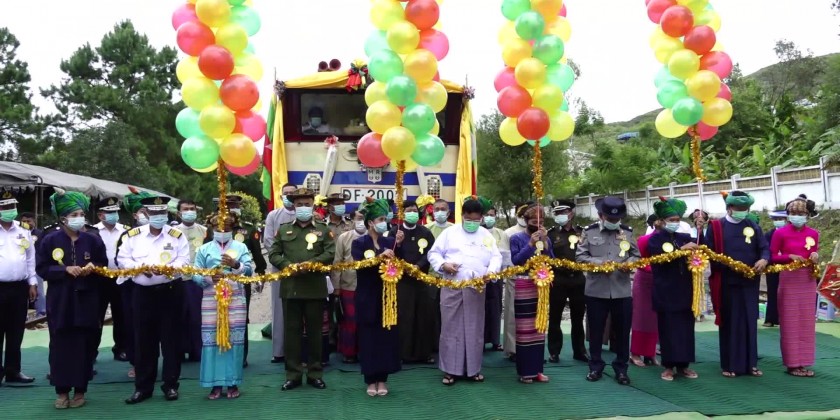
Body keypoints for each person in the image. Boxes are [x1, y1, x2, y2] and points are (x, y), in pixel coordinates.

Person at [36, 190, 107, 408]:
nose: (79, 218)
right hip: (61, 301)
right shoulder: (49, 240)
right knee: (60, 345)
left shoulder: (92, 240)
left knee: (84, 345)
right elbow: (42, 268)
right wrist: (65, 270)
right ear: (63, 217)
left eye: (81, 214)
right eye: (74, 214)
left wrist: (92, 268)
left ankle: (80, 391)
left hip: (87, 300)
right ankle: (62, 391)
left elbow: (103, 266)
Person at [118, 195, 191, 404]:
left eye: (162, 213)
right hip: (143, 294)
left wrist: (168, 270)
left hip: (171, 291)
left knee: (171, 342)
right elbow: (123, 259)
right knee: (143, 342)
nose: (159, 216)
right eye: (155, 213)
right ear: (147, 214)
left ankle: (170, 385)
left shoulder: (177, 236)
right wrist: (140, 269)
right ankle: (143, 388)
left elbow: (184, 260)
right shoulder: (133, 236)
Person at [428, 197, 502, 385]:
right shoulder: (450, 233)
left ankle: (473, 369)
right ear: (462, 216)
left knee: (474, 328)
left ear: (481, 218)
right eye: (468, 220)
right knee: (451, 328)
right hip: (452, 285)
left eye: (476, 220)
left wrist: (490, 272)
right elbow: (433, 253)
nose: (472, 224)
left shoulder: (486, 235)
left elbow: (496, 257)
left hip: (476, 287)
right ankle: (450, 371)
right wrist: (444, 264)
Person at [268, 188, 335, 391]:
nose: (303, 208)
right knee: (292, 333)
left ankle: (315, 373)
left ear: (313, 205)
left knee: (315, 334)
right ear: (293, 206)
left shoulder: (323, 229)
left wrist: (312, 264)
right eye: (299, 205)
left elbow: (330, 252)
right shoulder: (284, 228)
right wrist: (287, 265)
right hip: (291, 288)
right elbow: (273, 252)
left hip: (315, 287)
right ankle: (293, 375)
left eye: (307, 204)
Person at [704, 190, 769, 378]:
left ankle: (751, 364)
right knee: (731, 322)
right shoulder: (716, 226)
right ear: (729, 208)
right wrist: (728, 265)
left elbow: (764, 248)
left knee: (750, 321)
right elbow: (709, 252)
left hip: (749, 281)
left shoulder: (752, 225)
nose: (743, 211)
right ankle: (730, 364)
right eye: (739, 208)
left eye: (746, 208)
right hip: (728, 282)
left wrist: (764, 260)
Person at [577, 196, 639, 386]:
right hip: (597, 289)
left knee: (622, 331)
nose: (614, 222)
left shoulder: (627, 232)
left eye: (616, 219)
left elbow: (635, 254)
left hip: (621, 290)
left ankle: (621, 369)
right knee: (596, 330)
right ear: (600, 215)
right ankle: (595, 367)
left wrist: (629, 264)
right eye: (610, 219)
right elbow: (580, 256)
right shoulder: (589, 232)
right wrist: (598, 264)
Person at [193, 213, 254, 399]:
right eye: (219, 229)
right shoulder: (204, 249)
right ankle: (215, 384)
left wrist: (236, 265)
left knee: (234, 338)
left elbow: (250, 270)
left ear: (232, 229)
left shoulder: (241, 246)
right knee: (212, 339)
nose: (222, 232)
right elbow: (194, 274)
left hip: (235, 297)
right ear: (212, 229)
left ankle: (233, 382)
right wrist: (209, 278)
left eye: (226, 229)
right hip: (211, 299)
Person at [206, 195, 266, 368]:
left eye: (235, 206)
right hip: (216, 281)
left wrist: (260, 274)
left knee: (240, 319)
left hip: (240, 280)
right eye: (228, 206)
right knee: (217, 317)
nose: (231, 210)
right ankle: (219, 352)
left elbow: (257, 254)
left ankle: (241, 356)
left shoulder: (248, 229)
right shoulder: (211, 229)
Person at [351, 198, 402, 396]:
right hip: (366, 295)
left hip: (387, 297)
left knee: (385, 337)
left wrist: (398, 249)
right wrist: (379, 257)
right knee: (368, 337)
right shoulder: (359, 243)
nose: (384, 223)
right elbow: (358, 265)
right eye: (380, 219)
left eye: (385, 219)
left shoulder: (390, 241)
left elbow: (399, 265)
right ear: (371, 222)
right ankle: (370, 379)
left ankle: (383, 379)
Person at [649, 197, 700, 381]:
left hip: (685, 289)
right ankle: (668, 366)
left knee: (686, 328)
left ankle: (684, 365)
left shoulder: (684, 237)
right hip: (665, 290)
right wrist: (681, 250)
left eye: (678, 220)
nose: (675, 223)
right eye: (671, 220)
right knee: (668, 328)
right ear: (662, 222)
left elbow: (701, 245)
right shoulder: (655, 240)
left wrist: (701, 227)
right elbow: (660, 258)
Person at [771, 195, 820, 377]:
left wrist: (815, 256)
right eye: (793, 213)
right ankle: (792, 364)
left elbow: (815, 252)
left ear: (807, 215)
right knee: (790, 321)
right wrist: (789, 257)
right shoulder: (780, 233)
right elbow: (772, 256)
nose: (797, 216)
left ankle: (804, 362)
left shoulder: (813, 233)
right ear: (788, 215)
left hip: (807, 279)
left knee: (806, 322)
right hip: (789, 278)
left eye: (800, 213)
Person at [509, 204, 552, 384]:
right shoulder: (516, 238)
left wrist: (546, 244)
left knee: (539, 327)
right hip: (524, 283)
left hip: (542, 285)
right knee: (525, 328)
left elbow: (552, 260)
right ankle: (525, 371)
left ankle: (538, 370)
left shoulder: (546, 238)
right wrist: (530, 244)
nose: (537, 224)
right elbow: (517, 261)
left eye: (540, 222)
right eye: (534, 221)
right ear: (526, 222)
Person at [114, 188, 153, 379]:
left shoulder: (164, 233)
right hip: (132, 285)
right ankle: (137, 363)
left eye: (148, 211)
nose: (145, 215)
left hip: (156, 283)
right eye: (141, 212)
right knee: (134, 326)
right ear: (134, 214)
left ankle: (153, 362)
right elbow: (120, 259)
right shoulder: (127, 235)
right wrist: (139, 267)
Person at [393, 200, 437, 363]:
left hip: (421, 280)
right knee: (404, 317)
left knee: (423, 316)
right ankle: (403, 354)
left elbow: (432, 253)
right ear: (402, 213)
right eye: (409, 210)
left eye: (414, 210)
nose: (412, 213)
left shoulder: (425, 232)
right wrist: (397, 244)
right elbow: (389, 254)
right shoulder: (394, 232)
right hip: (402, 282)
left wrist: (419, 265)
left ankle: (423, 354)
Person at [0, 191, 37, 385]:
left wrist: (32, 282)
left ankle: (13, 371)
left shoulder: (23, 230)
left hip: (19, 287)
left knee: (16, 331)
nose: (9, 211)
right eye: (5, 207)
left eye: (12, 207)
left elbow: (30, 257)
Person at [546, 199, 588, 363]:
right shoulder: (551, 234)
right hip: (558, 280)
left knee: (578, 317)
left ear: (571, 213)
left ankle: (579, 351)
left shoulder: (582, 232)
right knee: (555, 317)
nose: (560, 216)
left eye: (563, 212)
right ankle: (554, 351)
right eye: (557, 213)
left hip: (577, 279)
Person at [91, 197, 130, 362]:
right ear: (101, 215)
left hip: (120, 277)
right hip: (98, 278)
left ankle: (121, 348)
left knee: (121, 315)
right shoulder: (92, 231)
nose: (113, 214)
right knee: (95, 315)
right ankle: (91, 351)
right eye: (109, 212)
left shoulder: (126, 231)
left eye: (115, 211)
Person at [264, 182, 298, 363]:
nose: (290, 196)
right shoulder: (273, 216)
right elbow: (268, 241)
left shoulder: (306, 215)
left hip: (302, 269)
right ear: (281, 196)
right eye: (286, 193)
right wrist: (286, 262)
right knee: (279, 309)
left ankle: (300, 351)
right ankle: (279, 351)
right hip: (279, 268)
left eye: (293, 193)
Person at [173, 199, 207, 363]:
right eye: (185, 209)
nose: (189, 212)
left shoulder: (204, 231)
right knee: (178, 317)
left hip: (198, 280)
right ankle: (179, 351)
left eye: (192, 209)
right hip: (178, 280)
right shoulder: (172, 232)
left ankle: (197, 351)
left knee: (197, 317)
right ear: (179, 213)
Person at [333, 211, 364, 363]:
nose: (362, 221)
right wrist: (336, 287)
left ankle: (366, 350)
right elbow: (337, 263)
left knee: (367, 320)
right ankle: (349, 352)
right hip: (348, 285)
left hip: (369, 286)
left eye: (366, 218)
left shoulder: (377, 237)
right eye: (359, 218)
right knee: (349, 321)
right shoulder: (344, 238)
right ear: (352, 220)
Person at [503, 202, 532, 360]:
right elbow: (507, 258)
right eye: (522, 215)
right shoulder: (509, 233)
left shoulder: (540, 233)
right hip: (515, 278)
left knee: (533, 316)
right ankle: (513, 349)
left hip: (536, 279)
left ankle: (532, 347)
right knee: (512, 314)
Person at [630, 223, 659, 368]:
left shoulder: (672, 240)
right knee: (641, 318)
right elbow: (639, 260)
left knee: (655, 319)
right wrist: (657, 267)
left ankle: (650, 353)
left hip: (661, 282)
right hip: (644, 281)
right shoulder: (644, 240)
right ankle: (635, 353)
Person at [482, 205, 510, 352]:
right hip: (479, 277)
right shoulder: (477, 232)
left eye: (492, 215)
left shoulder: (501, 234)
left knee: (495, 307)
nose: (489, 217)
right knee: (480, 308)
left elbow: (506, 256)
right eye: (486, 214)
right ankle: (480, 340)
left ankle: (495, 340)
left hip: (496, 276)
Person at [764, 210, 787, 327]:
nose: (779, 222)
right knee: (772, 292)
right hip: (772, 267)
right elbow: (766, 250)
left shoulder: (789, 233)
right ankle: (770, 319)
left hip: (787, 266)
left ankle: (785, 319)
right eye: (776, 220)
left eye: (781, 219)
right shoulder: (769, 235)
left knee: (786, 293)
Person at [689, 209, 714, 320]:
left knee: (705, 286)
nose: (699, 220)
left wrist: (701, 232)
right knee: (691, 286)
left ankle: (704, 310)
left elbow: (708, 246)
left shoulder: (709, 232)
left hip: (705, 263)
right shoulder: (688, 231)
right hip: (690, 262)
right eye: (696, 218)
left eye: (702, 218)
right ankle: (693, 310)